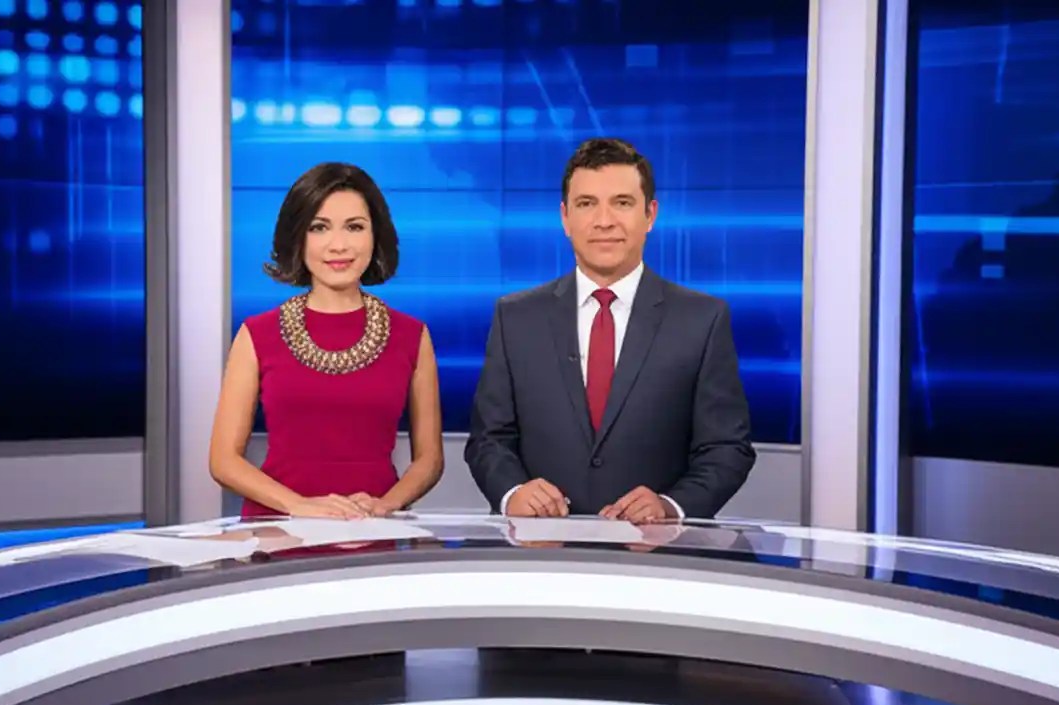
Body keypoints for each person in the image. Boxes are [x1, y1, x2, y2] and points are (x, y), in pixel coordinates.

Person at [465, 138, 755, 521]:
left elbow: (727, 448)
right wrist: (513, 493)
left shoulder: (702, 319)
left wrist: (670, 506)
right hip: (540, 546)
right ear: (565, 218)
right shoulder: (516, 317)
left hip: (657, 549)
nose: (604, 221)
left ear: (650, 215)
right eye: (587, 204)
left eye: (622, 203)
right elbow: (488, 440)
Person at [209, 162, 444, 519]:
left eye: (354, 227)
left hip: (371, 526)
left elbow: (429, 459)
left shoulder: (411, 335)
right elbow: (223, 460)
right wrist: (298, 505)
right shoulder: (257, 333)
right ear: (298, 237)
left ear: (375, 235)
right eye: (319, 227)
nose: (339, 245)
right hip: (278, 529)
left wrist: (388, 504)